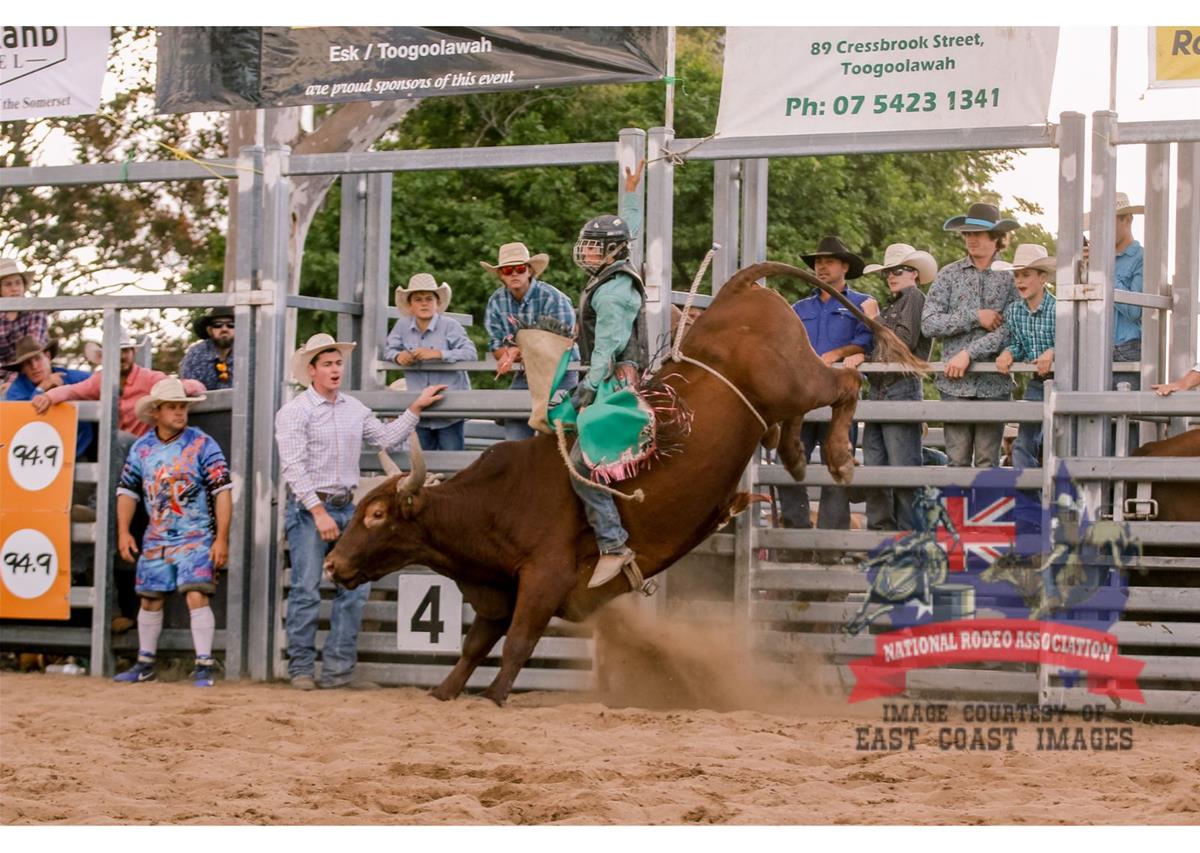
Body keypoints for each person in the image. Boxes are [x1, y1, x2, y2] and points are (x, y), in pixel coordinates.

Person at [275, 333, 446, 690]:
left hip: (346, 507)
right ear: (312, 371)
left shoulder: (354, 408)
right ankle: (301, 669)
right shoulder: (295, 412)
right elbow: (293, 466)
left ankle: (337, 671)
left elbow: (384, 438)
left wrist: (414, 409)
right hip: (311, 509)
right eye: (327, 364)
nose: (335, 369)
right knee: (306, 589)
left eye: (338, 363)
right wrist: (318, 512)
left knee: (354, 589)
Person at [112, 378, 232, 687]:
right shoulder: (142, 448)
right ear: (157, 412)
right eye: (172, 407)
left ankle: (203, 664)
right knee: (149, 598)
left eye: (182, 407)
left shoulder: (202, 444)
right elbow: (127, 491)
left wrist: (220, 538)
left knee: (196, 593)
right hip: (157, 535)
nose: (179, 412)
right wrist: (124, 531)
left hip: (196, 535)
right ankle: (146, 662)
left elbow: (222, 490)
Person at [565, 160, 650, 589]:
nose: (588, 252)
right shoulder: (617, 271)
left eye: (595, 248)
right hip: (614, 376)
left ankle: (613, 543)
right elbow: (629, 227)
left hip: (615, 382)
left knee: (580, 464)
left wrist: (586, 387)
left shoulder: (614, 292)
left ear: (612, 252)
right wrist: (631, 193)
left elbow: (607, 348)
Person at [777, 236, 877, 538]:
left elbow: (867, 341)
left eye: (828, 261)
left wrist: (838, 354)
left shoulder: (861, 303)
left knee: (837, 464)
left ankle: (831, 544)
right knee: (788, 461)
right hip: (802, 396)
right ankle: (795, 534)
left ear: (844, 267)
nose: (821, 266)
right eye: (818, 262)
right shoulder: (798, 308)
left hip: (839, 399)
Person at [921, 201, 1019, 468]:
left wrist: (968, 353)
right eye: (967, 233)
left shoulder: (1012, 277)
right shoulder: (948, 275)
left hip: (994, 382)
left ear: (996, 237)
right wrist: (975, 316)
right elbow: (928, 324)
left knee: (988, 462)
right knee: (956, 462)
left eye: (978, 233)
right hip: (955, 384)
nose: (971, 239)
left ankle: (985, 499)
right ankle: (958, 501)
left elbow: (1013, 328)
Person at [859, 243, 936, 531]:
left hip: (901, 387)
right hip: (879, 389)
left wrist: (873, 318)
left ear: (914, 273)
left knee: (903, 468)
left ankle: (907, 535)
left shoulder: (915, 298)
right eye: (888, 272)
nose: (891, 276)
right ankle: (882, 532)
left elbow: (904, 341)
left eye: (898, 270)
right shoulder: (894, 304)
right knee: (875, 466)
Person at [481, 241, 578, 441]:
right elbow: (496, 346)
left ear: (529, 271)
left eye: (519, 268)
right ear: (501, 275)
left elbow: (561, 342)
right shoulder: (496, 301)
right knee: (514, 424)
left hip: (561, 371)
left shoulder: (553, 297)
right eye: (507, 270)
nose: (514, 274)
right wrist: (512, 353)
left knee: (559, 433)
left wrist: (515, 351)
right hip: (525, 374)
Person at [383, 273, 477, 451]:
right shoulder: (402, 326)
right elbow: (388, 349)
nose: (424, 303)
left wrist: (438, 354)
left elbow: (470, 353)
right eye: (418, 299)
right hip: (419, 408)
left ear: (437, 303)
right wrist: (398, 356)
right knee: (422, 460)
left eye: (429, 299)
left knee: (452, 460)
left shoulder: (450, 325)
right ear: (410, 306)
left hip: (449, 407)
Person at [996, 244, 1057, 469]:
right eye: (1017, 275)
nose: (1020, 281)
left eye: (1026, 275)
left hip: (1066, 383)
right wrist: (1008, 352)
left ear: (1043, 278)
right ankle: (1027, 491)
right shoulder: (1014, 311)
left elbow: (1075, 343)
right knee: (1023, 444)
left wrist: (1054, 352)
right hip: (1037, 382)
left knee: (1061, 441)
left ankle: (1060, 489)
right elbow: (1019, 345)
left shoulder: (1059, 308)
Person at [1084, 192, 1144, 388]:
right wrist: (1085, 268)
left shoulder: (1141, 258)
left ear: (1128, 219)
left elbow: (1134, 310)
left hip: (1126, 350)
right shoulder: (1095, 261)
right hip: (1093, 348)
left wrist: (1103, 268)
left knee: (1124, 407)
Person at [4, 335, 96, 459]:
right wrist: (41, 389)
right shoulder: (16, 390)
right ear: (22, 369)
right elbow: (21, 423)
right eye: (27, 363)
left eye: (37, 359)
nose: (34, 366)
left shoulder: (71, 377)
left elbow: (100, 383)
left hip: (80, 450)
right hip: (34, 455)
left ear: (47, 356)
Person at [0, 258, 49, 395]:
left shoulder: (35, 311)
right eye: (8, 284)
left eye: (18, 282)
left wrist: (13, 383)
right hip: (4, 378)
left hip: (34, 373)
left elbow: (32, 351)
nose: (14, 288)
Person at [180, 307, 235, 390]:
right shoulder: (195, 355)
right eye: (217, 325)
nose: (224, 329)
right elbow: (189, 390)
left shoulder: (247, 353)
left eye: (231, 325)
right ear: (209, 330)